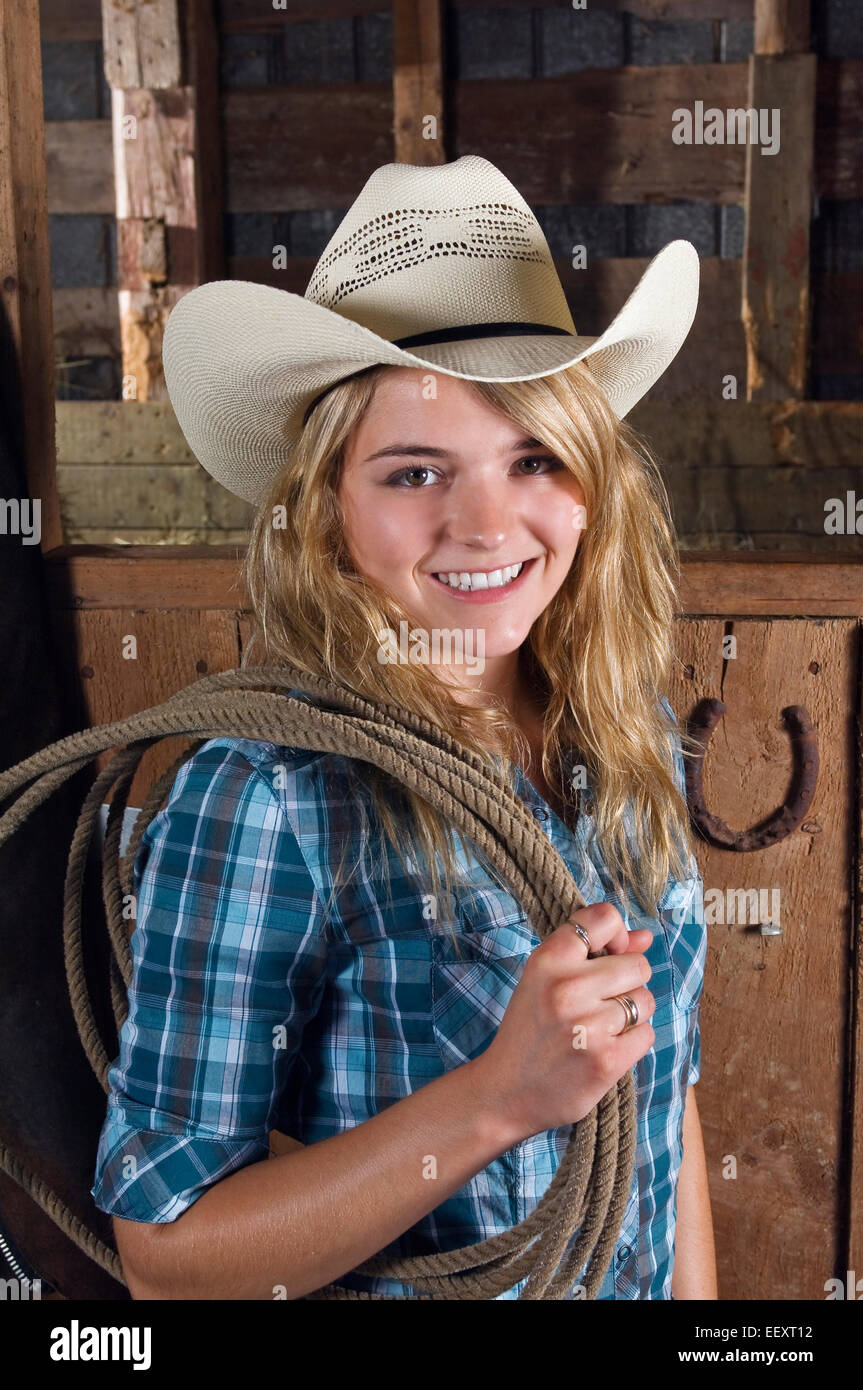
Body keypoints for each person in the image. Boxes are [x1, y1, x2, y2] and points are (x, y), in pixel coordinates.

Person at [90, 155, 715, 1300]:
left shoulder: (630, 735)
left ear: (593, 481)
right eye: (415, 470)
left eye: (534, 458)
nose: (486, 524)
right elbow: (169, 1260)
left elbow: (660, 1098)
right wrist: (499, 1097)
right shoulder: (267, 795)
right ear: (326, 512)